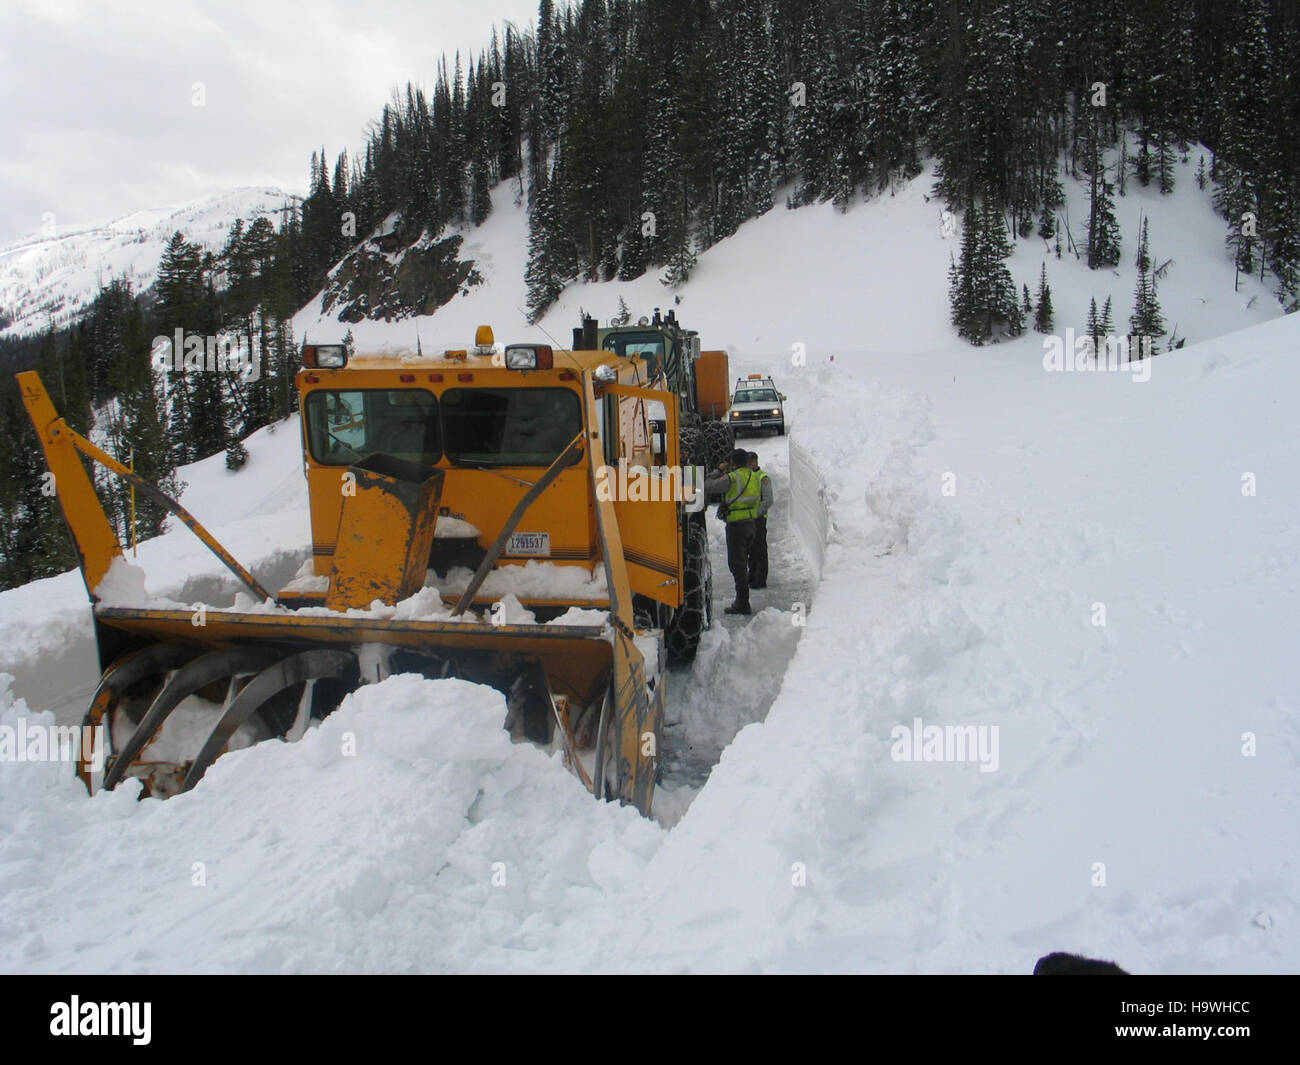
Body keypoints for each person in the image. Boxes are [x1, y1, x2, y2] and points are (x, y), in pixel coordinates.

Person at [704, 448, 764, 615]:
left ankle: (742, 603)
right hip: (752, 524)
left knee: (737, 566)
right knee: (745, 562)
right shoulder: (755, 476)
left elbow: (707, 486)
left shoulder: (732, 478)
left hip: (737, 527)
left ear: (733, 463)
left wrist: (719, 470)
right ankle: (744, 598)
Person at [745, 451, 772, 588]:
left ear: (755, 462)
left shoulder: (763, 477)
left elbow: (768, 500)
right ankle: (752, 575)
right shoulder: (748, 476)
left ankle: (760, 578)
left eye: (750, 462)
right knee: (751, 550)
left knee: (760, 550)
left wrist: (756, 513)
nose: (749, 465)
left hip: (759, 519)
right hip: (749, 518)